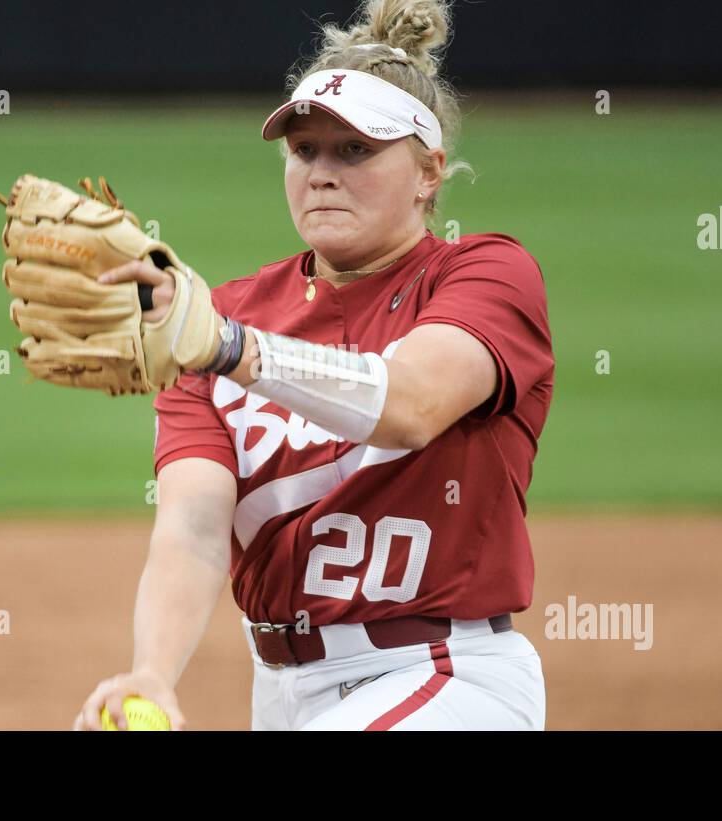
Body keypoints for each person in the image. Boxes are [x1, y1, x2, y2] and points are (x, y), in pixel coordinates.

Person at [73, 0, 553, 731]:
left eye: (354, 151)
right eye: (305, 151)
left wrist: (229, 349)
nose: (322, 172)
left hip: (445, 678)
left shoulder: (486, 275)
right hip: (283, 692)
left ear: (428, 172)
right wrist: (153, 670)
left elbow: (413, 402)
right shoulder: (219, 315)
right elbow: (194, 526)